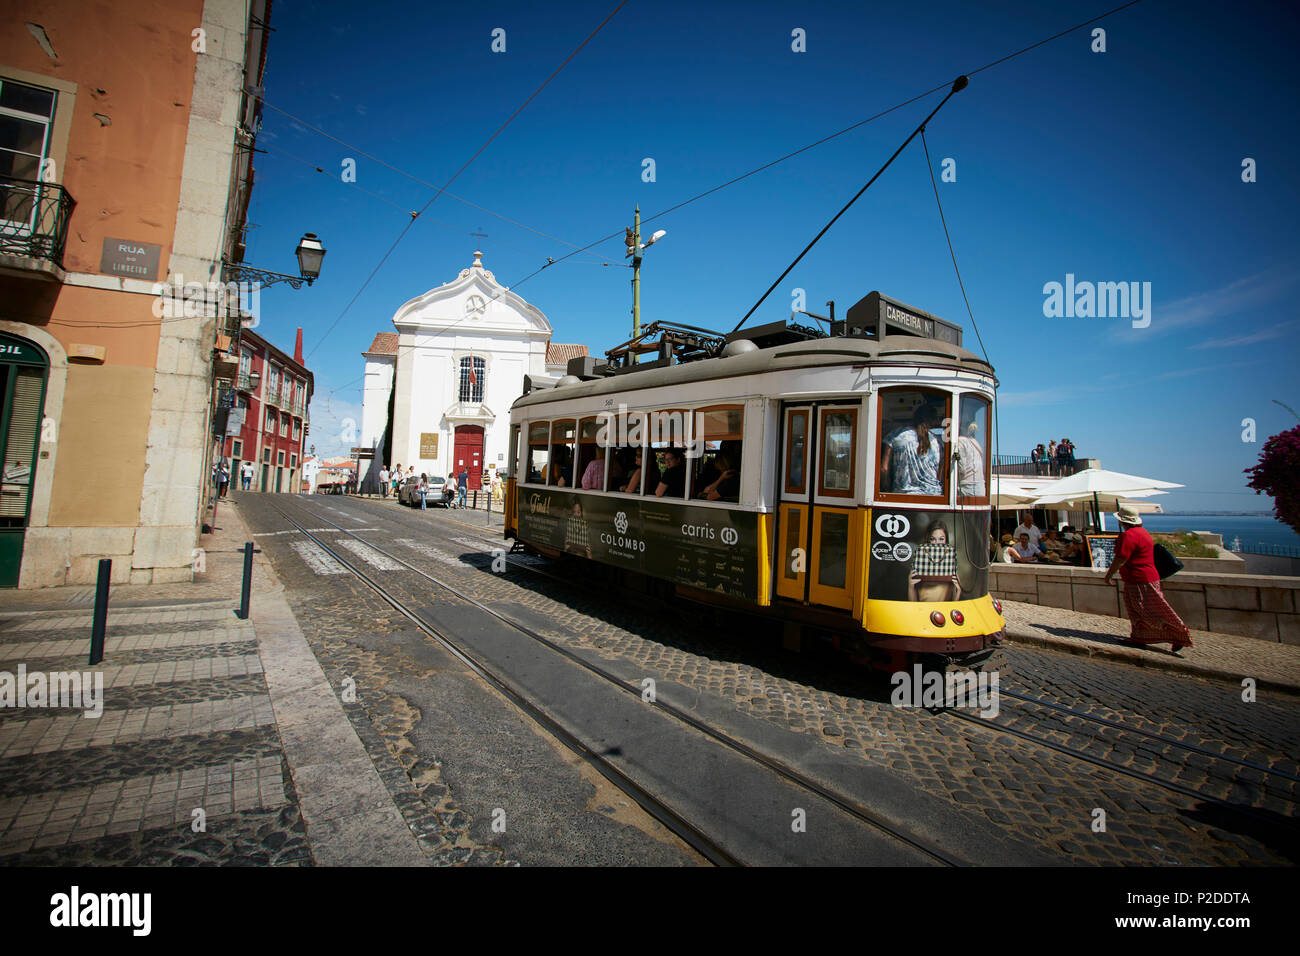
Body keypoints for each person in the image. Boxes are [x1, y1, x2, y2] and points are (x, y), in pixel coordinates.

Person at [1104, 506, 1194, 652]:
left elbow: (1121, 557)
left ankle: (1180, 634)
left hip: (1138, 578)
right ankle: (1140, 637)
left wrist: (1109, 575)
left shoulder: (1129, 536)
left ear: (1122, 521)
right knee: (1139, 609)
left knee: (1148, 609)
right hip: (1146, 576)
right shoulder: (1143, 533)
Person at [881, 404, 944, 495]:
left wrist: (885, 489)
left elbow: (884, 468)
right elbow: (940, 472)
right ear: (933, 421)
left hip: (903, 495)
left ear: (914, 417)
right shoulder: (938, 442)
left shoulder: (895, 435)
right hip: (933, 496)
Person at [908, 522, 961, 601]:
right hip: (922, 610)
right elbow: (913, 604)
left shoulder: (950, 566)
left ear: (946, 540)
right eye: (933, 539)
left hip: (943, 610)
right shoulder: (919, 564)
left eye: (941, 539)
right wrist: (910, 587)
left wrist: (958, 591)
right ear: (928, 540)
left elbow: (954, 603)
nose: (937, 543)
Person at [955, 420, 985, 497]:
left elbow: (961, 469)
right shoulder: (975, 442)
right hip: (980, 490)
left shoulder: (960, 441)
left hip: (967, 489)